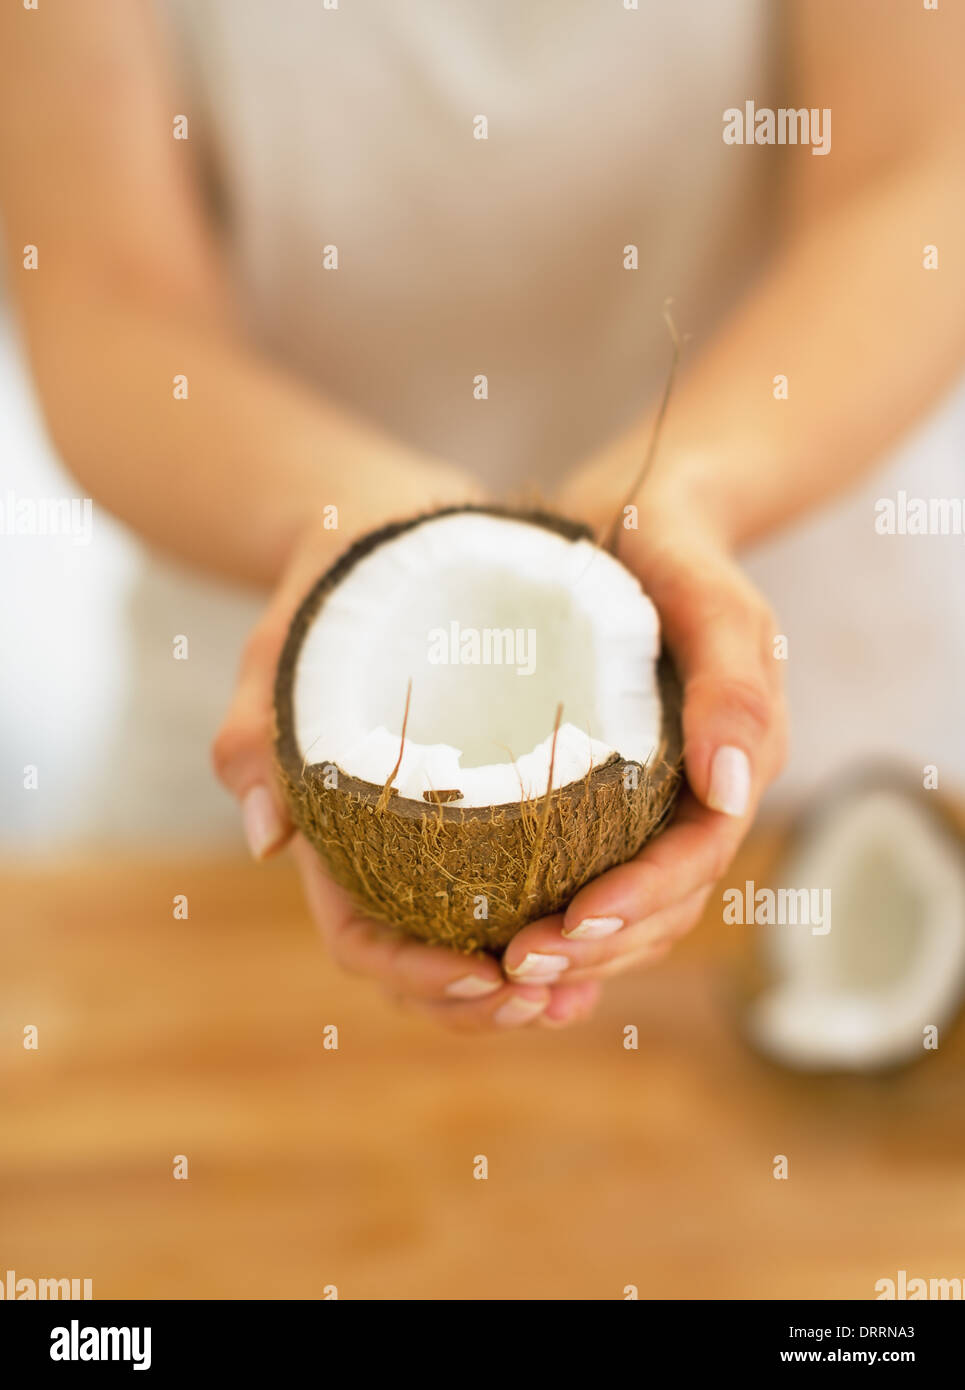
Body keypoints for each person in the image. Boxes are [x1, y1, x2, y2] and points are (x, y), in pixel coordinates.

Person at [2, 0, 963, 1031]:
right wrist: (341, 514)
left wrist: (688, 485)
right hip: (245, 721)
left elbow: (914, 180)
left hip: (793, 704)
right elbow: (103, 296)